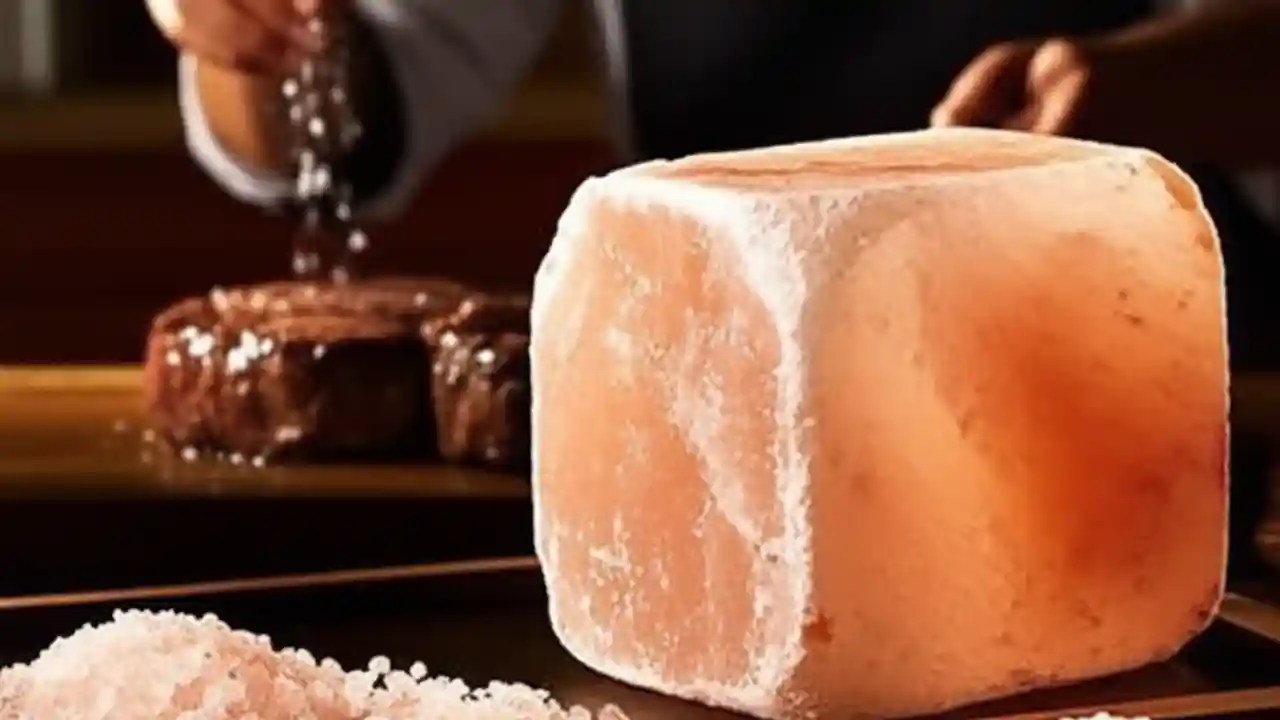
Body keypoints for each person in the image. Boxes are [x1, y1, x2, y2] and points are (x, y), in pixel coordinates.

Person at [148, 0, 1280, 575]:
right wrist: (246, 30)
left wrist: (1178, 79)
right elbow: (346, 120)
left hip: (1159, 425)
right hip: (735, 452)